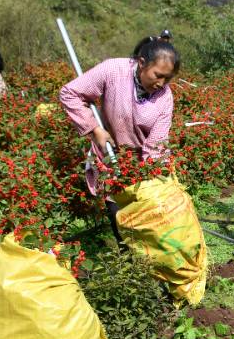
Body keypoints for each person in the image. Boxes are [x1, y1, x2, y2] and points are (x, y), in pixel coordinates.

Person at [59, 33, 180, 236]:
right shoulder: (114, 70)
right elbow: (70, 93)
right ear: (142, 63)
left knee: (147, 218)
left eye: (167, 79)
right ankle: (127, 260)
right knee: (119, 219)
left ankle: (148, 260)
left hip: (141, 161)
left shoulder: (164, 96)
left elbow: (156, 143)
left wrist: (150, 178)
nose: (161, 83)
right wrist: (95, 130)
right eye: (158, 75)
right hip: (109, 154)